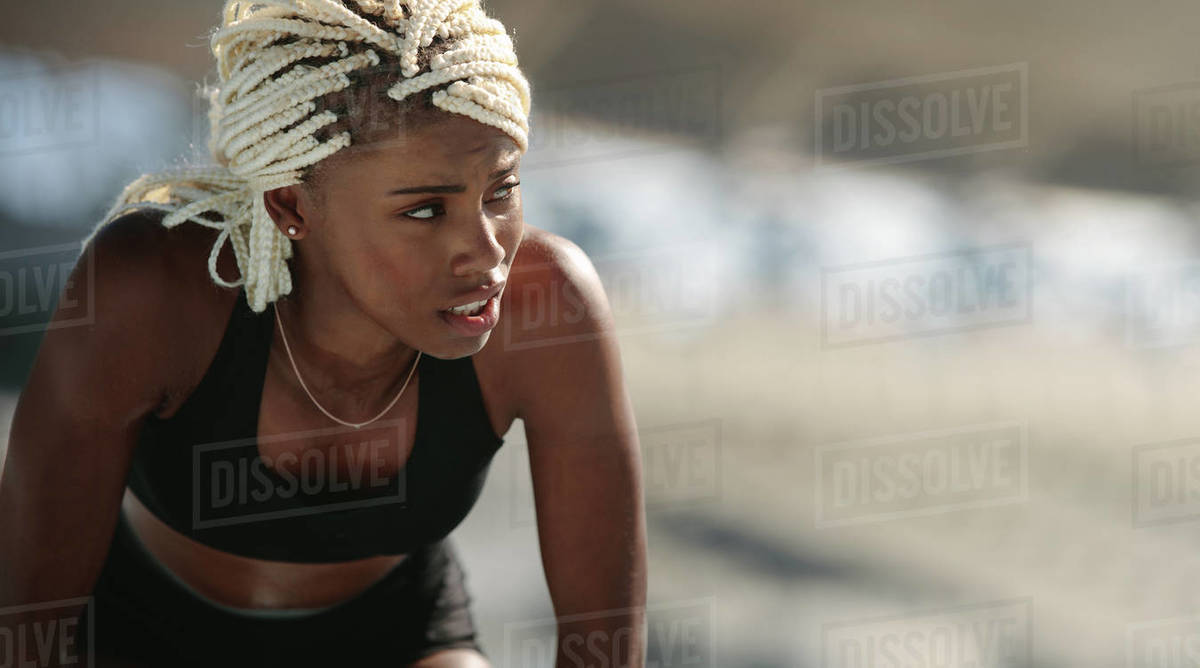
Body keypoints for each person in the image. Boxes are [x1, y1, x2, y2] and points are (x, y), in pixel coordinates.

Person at [0, 1, 647, 666]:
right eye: (425, 210)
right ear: (290, 205)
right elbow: (25, 620)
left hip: (398, 638)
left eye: (500, 192)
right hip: (139, 632)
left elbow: (602, 648)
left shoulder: (546, 306)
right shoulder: (154, 288)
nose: (485, 253)